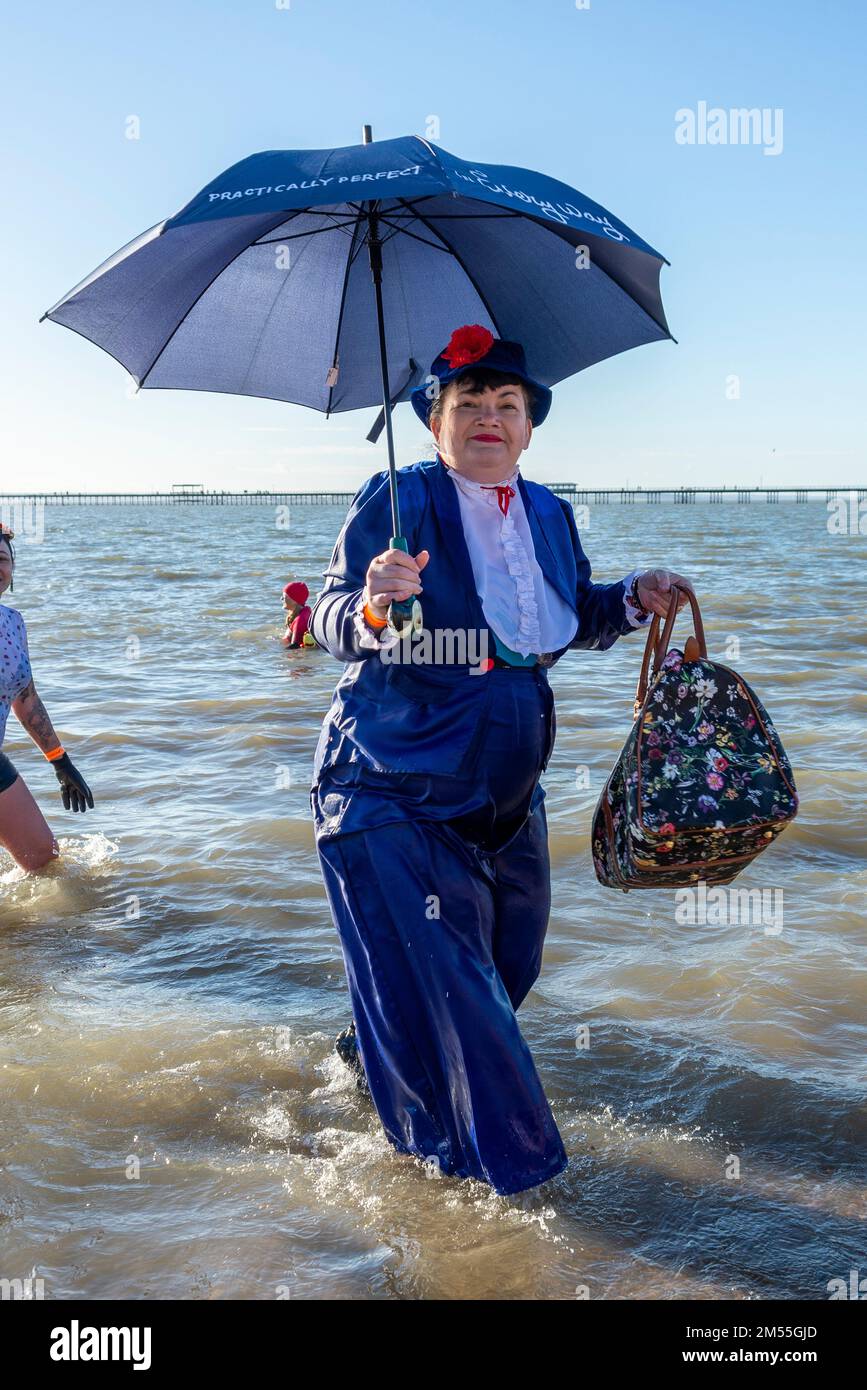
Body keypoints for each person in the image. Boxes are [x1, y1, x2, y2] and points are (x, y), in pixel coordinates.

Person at [307, 324, 693, 1197]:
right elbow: (326, 620)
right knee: (464, 1001)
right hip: (389, 790)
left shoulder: (551, 512)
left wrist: (633, 599)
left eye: (506, 405)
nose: (489, 417)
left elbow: (570, 619)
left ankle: (370, 1057)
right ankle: (512, 1194)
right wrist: (372, 605)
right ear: (434, 422)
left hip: (509, 799)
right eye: (467, 404)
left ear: (529, 426)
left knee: (506, 974)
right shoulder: (396, 499)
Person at [0, 525, 94, 872]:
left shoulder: (13, 624)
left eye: (3, 559)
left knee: (43, 858)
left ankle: (42, 928)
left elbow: (25, 697)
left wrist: (60, 761)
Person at [280, 581, 315, 648]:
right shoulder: (306, 611)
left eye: (284, 596)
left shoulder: (300, 620)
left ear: (294, 600)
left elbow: (295, 647)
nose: (281, 598)